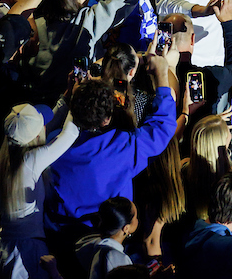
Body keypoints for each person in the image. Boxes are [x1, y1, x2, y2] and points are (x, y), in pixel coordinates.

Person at [44, 55, 177, 230]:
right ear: (106, 119)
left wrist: (70, 94)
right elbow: (162, 127)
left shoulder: (52, 144)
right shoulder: (121, 147)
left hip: (58, 236)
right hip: (106, 236)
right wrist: (161, 74)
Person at [0, 99, 79, 279]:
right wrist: (77, 100)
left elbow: (44, 126)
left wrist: (65, 99)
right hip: (25, 252)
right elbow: (68, 136)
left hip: (1, 251)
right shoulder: (30, 161)